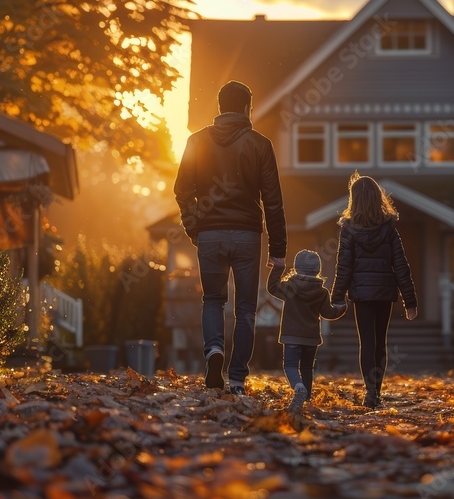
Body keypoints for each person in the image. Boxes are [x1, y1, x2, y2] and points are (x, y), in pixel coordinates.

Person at [173, 80, 287, 394]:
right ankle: (236, 379)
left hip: (210, 233)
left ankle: (214, 351)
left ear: (220, 107)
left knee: (212, 299)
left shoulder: (196, 141)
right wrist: (278, 250)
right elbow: (273, 200)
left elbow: (182, 191)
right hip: (248, 235)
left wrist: (195, 227)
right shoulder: (260, 144)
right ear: (247, 107)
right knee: (246, 309)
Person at [331, 172, 417, 409]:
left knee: (366, 343)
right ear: (378, 198)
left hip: (362, 295)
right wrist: (410, 301)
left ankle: (370, 392)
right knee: (381, 343)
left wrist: (336, 298)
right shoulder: (389, 229)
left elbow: (344, 267)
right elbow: (400, 264)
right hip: (384, 293)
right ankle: (376, 392)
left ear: (354, 199)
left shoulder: (348, 230)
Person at [267, 249, 345, 413]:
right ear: (318, 270)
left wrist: (277, 268)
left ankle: (298, 386)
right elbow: (328, 313)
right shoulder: (322, 292)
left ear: (296, 268)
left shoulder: (290, 287)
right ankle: (307, 398)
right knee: (308, 367)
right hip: (311, 338)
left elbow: (272, 287)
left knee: (290, 365)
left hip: (291, 336)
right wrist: (341, 308)